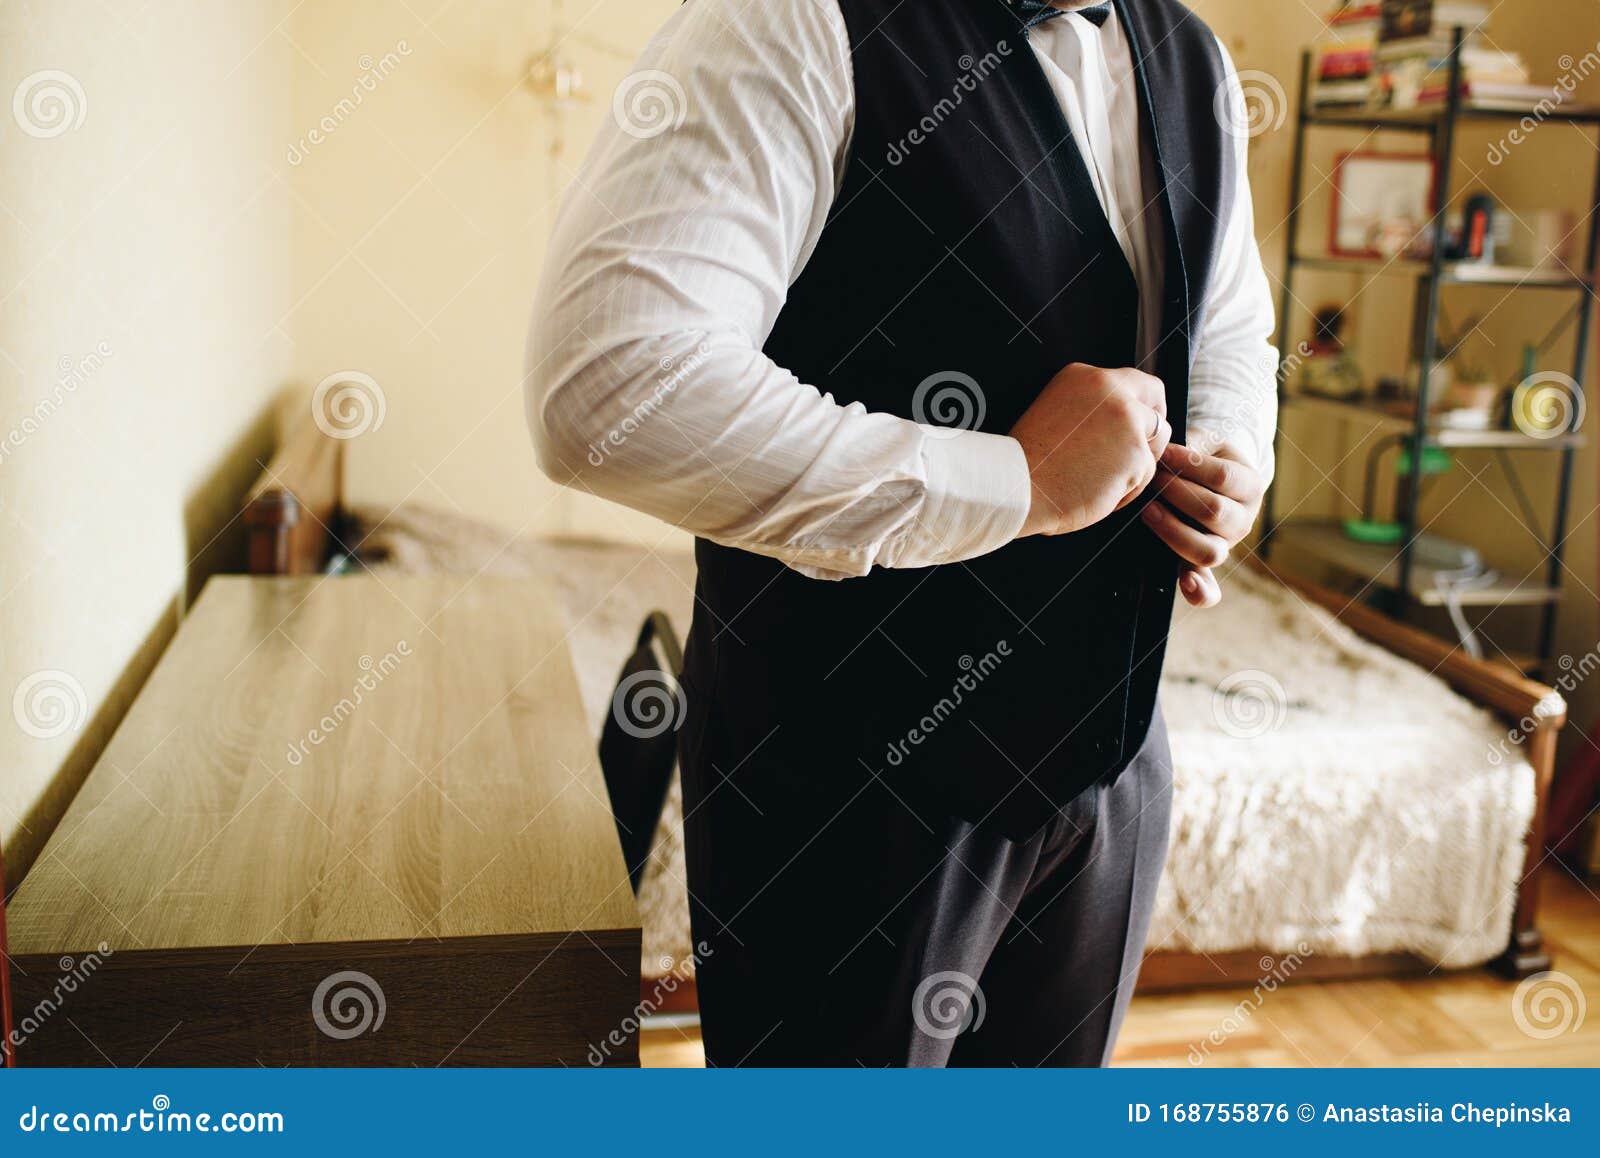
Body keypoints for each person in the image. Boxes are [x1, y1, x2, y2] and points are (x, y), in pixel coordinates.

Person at [526, 0, 1277, 1066]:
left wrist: (1232, 450)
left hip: (1115, 751)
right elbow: (611, 389)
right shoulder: (790, 19)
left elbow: (1231, 318)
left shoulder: (1191, 51)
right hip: (841, 773)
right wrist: (1013, 481)